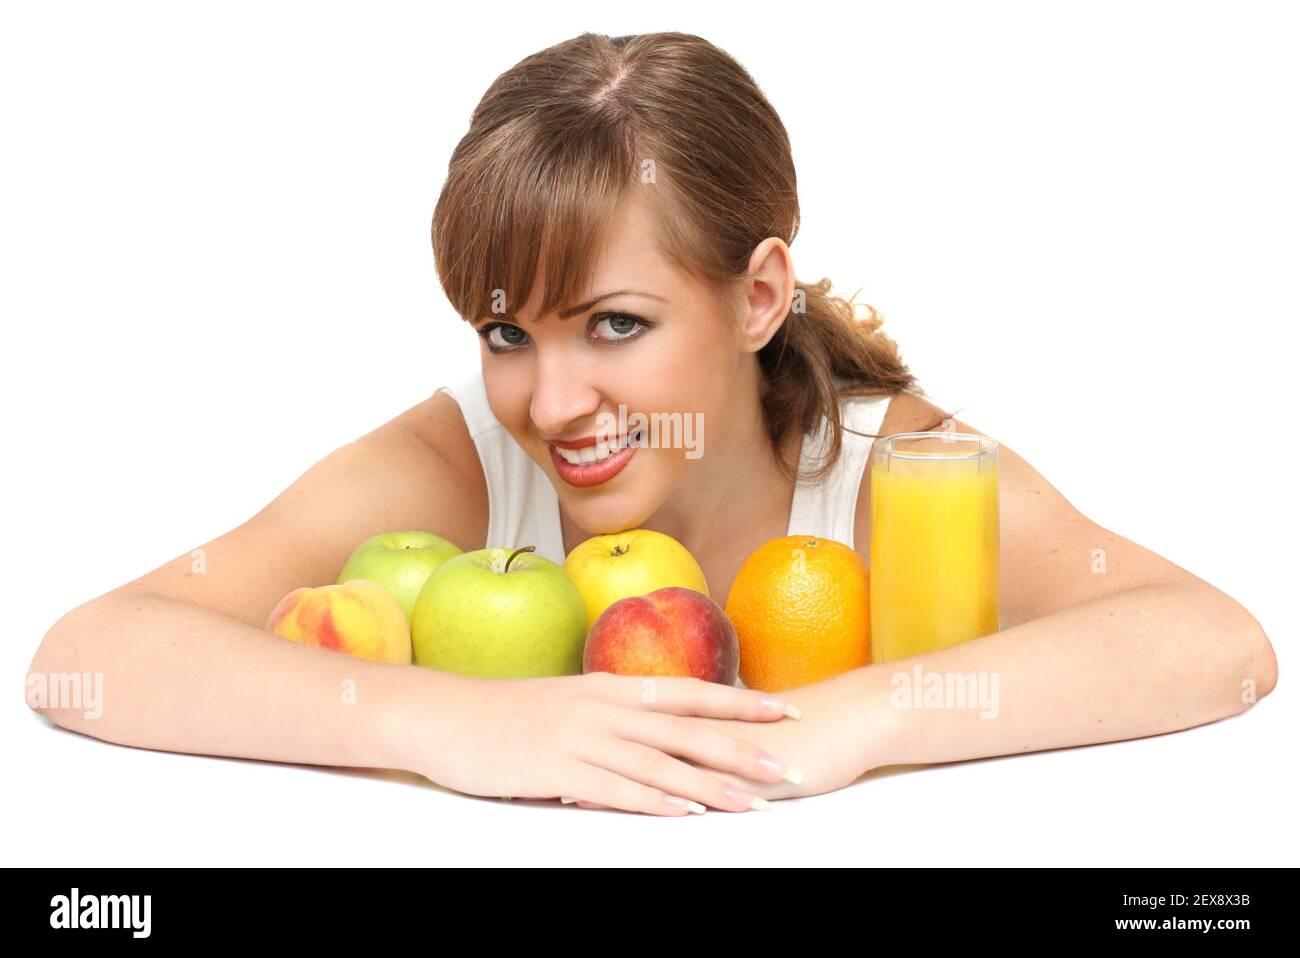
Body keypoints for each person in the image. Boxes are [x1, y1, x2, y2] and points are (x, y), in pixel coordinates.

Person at [27, 31, 1277, 816]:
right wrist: (452, 722)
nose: (552, 402)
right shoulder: (462, 461)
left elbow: (1209, 639)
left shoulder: (890, 466)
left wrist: (858, 716)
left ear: (759, 297)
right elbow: (90, 654)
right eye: (509, 332)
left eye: (615, 324)